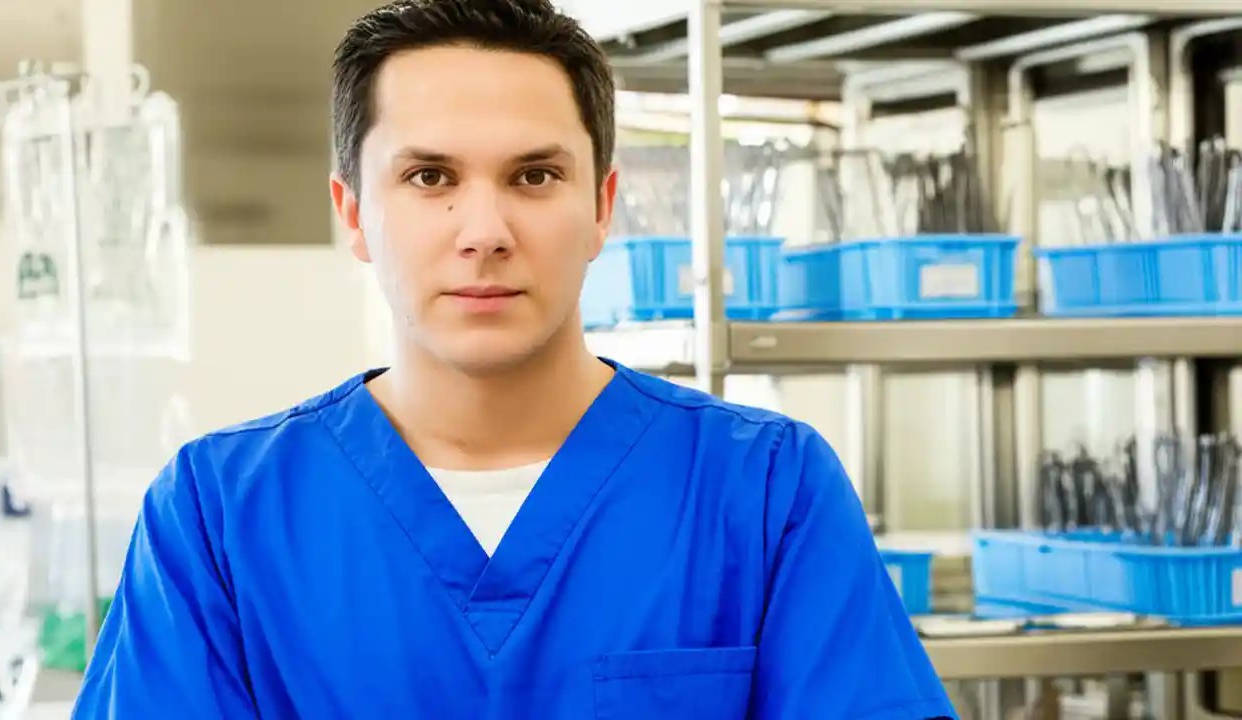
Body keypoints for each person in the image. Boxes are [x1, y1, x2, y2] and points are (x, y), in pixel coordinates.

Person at [73, 1, 956, 717]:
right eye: (430, 177)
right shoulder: (219, 516)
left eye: (534, 176)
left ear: (602, 206)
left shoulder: (765, 490)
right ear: (353, 213)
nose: (485, 232)